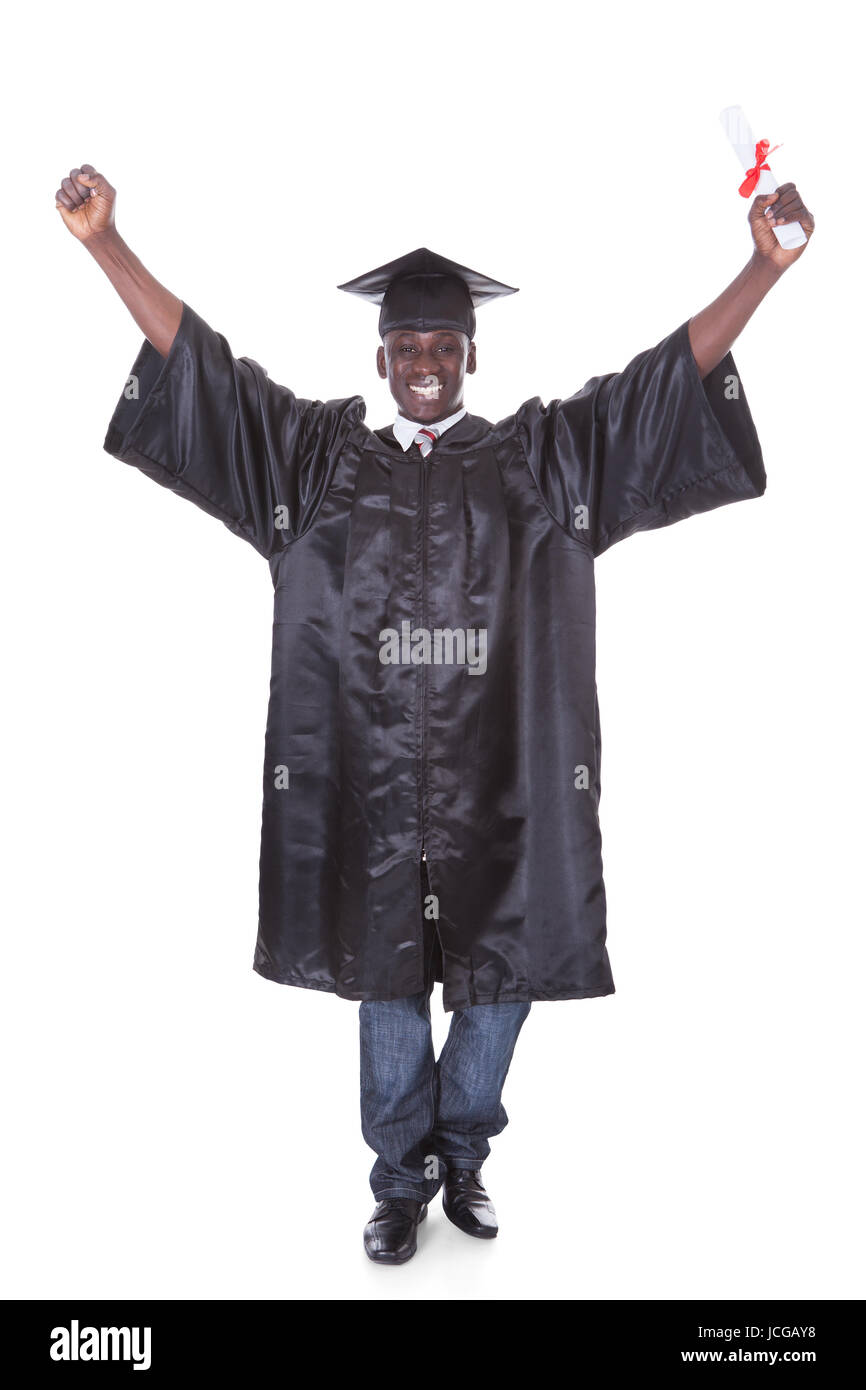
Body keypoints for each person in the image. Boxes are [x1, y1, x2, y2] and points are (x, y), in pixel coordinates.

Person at [55, 164, 814, 1265]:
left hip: (501, 776)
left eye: (442, 346)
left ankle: (464, 1143)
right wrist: (104, 245)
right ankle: (400, 1176)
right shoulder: (319, 464)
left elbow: (660, 383)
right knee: (386, 976)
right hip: (367, 776)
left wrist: (761, 267)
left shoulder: (539, 465)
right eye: (405, 346)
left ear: (470, 354)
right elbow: (203, 372)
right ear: (380, 356)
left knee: (512, 958)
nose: (422, 363)